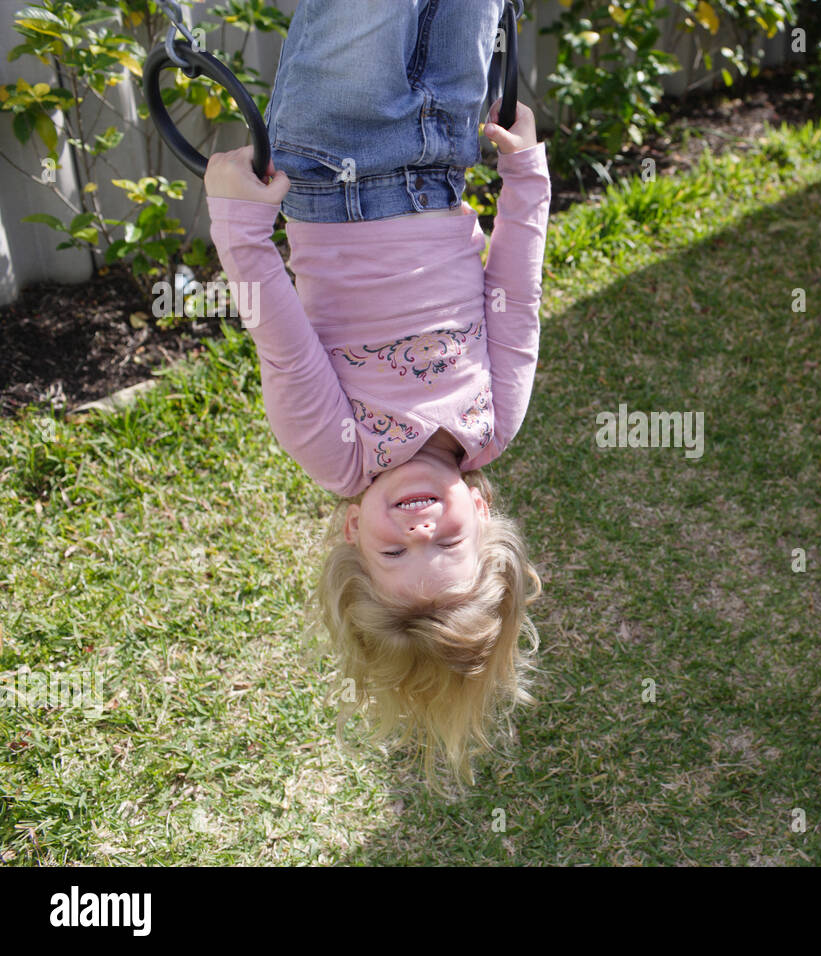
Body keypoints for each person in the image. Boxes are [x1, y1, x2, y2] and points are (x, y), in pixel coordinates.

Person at [203, 0, 546, 791]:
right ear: (485, 519)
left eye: (396, 552)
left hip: (335, 157)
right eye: (446, 545)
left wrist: (241, 230)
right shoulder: (493, 422)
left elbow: (281, 337)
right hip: (444, 153)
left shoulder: (336, 449)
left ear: (355, 531)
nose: (420, 529)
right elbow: (516, 299)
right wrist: (526, 176)